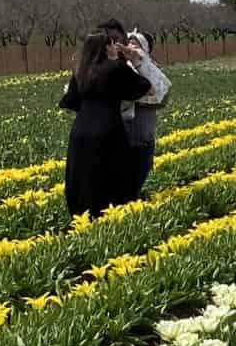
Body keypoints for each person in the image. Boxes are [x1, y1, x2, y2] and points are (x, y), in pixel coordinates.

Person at [61, 26, 151, 218]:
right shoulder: (115, 68)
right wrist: (132, 61)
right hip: (108, 129)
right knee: (110, 176)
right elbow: (142, 87)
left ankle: (81, 217)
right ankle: (107, 216)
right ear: (107, 47)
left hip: (80, 131)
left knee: (83, 177)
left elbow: (71, 102)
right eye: (112, 45)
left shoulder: (81, 71)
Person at [122, 30, 171, 193]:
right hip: (123, 127)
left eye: (136, 43)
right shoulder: (119, 65)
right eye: (128, 42)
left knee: (141, 163)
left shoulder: (151, 67)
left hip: (143, 127)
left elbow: (161, 94)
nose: (131, 46)